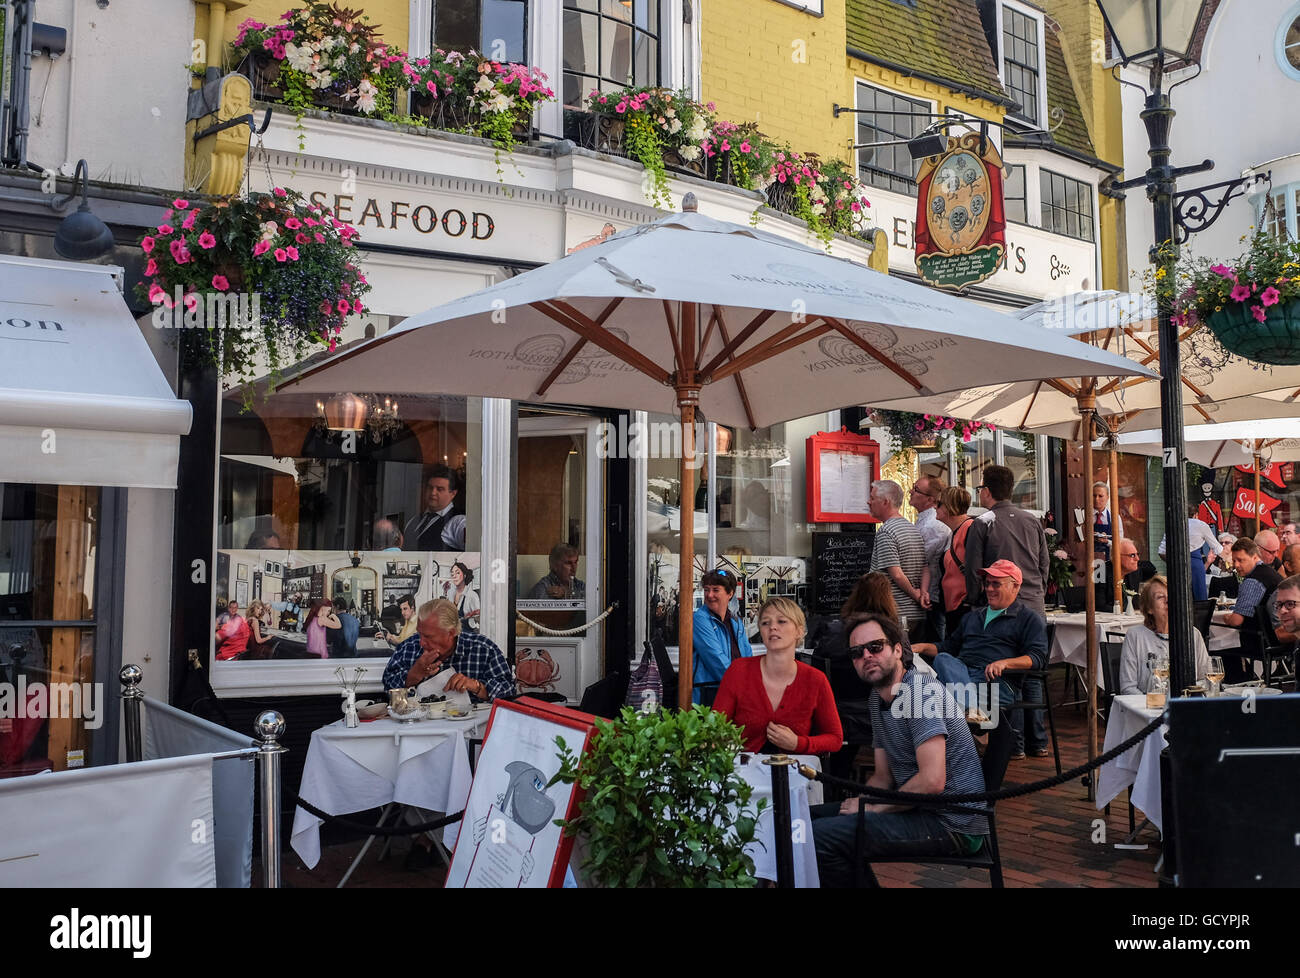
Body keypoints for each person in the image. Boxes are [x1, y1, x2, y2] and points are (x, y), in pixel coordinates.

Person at [812, 612, 988, 888]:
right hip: (920, 809)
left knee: (816, 837)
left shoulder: (919, 691)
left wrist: (874, 808)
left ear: (897, 649)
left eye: (875, 646)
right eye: (857, 652)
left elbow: (932, 781)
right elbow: (882, 778)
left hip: (953, 823)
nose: (866, 656)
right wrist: (861, 803)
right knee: (803, 821)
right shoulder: (877, 699)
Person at [913, 559, 1049, 757]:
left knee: (933, 697)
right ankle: (974, 722)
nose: (989, 589)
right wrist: (921, 646)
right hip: (962, 676)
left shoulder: (1028, 618)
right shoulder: (973, 617)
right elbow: (949, 647)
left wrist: (1005, 662)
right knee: (939, 664)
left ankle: (961, 743)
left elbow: (1037, 658)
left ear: (1015, 586)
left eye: (996, 583)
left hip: (996, 681)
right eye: (987, 583)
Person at [713, 597, 842, 755]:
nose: (772, 627)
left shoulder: (815, 680)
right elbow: (715, 728)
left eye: (781, 621)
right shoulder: (739, 671)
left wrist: (797, 743)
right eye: (765, 623)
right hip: (744, 773)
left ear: (800, 631)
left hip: (796, 772)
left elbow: (835, 739)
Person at [382, 598, 515, 700]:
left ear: (451, 633)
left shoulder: (483, 650)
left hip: (472, 731)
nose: (422, 642)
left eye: (429, 637)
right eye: (420, 633)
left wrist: (476, 686)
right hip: (420, 731)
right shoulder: (409, 647)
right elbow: (388, 687)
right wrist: (412, 675)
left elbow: (508, 693)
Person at [965, 465, 1050, 618]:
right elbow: (1044, 563)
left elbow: (973, 570)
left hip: (998, 605)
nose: (979, 493)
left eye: (979, 488)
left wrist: (975, 600)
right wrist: (1038, 591)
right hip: (1032, 603)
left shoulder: (982, 523)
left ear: (987, 491)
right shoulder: (1032, 521)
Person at [1118, 576, 1212, 695]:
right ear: (1149, 609)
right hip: (1148, 708)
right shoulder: (1135, 636)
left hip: (1186, 706)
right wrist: (1153, 706)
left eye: (1171, 595)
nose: (1168, 601)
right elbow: (1128, 687)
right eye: (1160, 597)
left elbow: (1206, 679)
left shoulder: (1193, 634)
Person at [1222, 537, 1284, 681]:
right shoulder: (1272, 574)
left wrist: (1227, 618)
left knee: (1220, 645)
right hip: (1279, 635)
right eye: (1234, 560)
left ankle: (1238, 685)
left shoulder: (1252, 581)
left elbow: (1236, 621)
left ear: (1255, 557)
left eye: (1241, 560)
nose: (1236, 565)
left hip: (1261, 641)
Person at [867, 479, 926, 629]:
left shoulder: (886, 532)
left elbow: (897, 574)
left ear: (886, 502)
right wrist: (922, 594)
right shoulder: (913, 529)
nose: (868, 502)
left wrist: (915, 595)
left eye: (873, 498)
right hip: (917, 614)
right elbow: (926, 566)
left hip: (896, 614)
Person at [693, 568, 753, 702]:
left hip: (733, 690)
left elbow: (747, 655)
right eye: (707, 589)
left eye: (715, 590)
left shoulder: (735, 620)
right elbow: (716, 660)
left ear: (730, 593)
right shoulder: (699, 619)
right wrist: (744, 688)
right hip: (710, 693)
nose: (709, 595)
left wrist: (752, 682)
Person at [911, 475, 950, 641]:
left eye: (916, 489)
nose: (911, 491)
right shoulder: (924, 521)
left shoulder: (933, 525)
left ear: (930, 499)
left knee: (932, 645)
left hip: (930, 597)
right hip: (924, 594)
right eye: (913, 486)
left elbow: (921, 562)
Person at [931, 486, 975, 636]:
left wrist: (968, 601)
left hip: (964, 609)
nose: (934, 507)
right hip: (954, 607)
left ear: (949, 506)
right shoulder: (956, 531)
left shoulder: (970, 528)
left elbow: (977, 568)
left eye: (938, 504)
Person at [1157, 507, 1222, 602]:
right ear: (1196, 515)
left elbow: (1161, 552)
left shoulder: (1172, 525)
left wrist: (1174, 563)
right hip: (1195, 563)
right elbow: (1218, 548)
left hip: (1176, 564)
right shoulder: (1201, 525)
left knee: (1178, 598)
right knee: (1199, 597)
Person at [403, 465, 467, 551]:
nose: (433, 493)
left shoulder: (458, 522)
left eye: (439, 489)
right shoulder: (413, 520)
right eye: (430, 487)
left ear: (453, 493)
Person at [1091, 481, 1123, 562]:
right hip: (1088, 559)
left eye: (1100, 496)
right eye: (1094, 495)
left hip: (1108, 560)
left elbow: (1120, 542)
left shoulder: (1115, 517)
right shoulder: (1084, 515)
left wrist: (1107, 541)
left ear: (1107, 497)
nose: (1096, 499)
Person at [446, 561, 481, 631]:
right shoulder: (450, 593)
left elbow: (479, 618)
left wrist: (473, 617)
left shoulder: (472, 595)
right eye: (452, 574)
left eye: (457, 573)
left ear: (464, 575)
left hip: (466, 635)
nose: (454, 576)